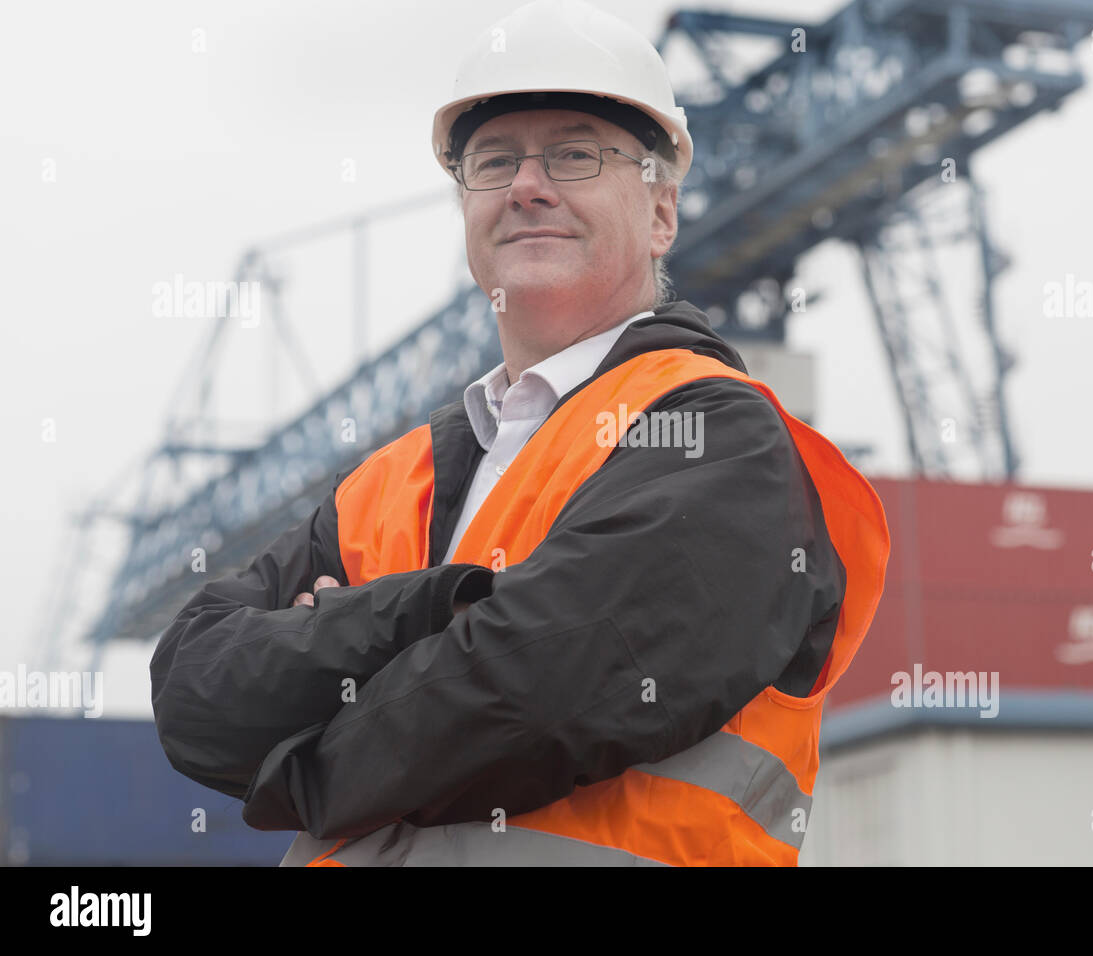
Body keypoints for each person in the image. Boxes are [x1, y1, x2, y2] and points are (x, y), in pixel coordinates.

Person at [149, 0, 890, 867]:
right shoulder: (394, 480)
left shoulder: (718, 437)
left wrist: (298, 774)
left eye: (576, 154)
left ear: (662, 213)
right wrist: (430, 608)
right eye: (494, 160)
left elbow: (531, 692)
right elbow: (193, 688)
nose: (527, 186)